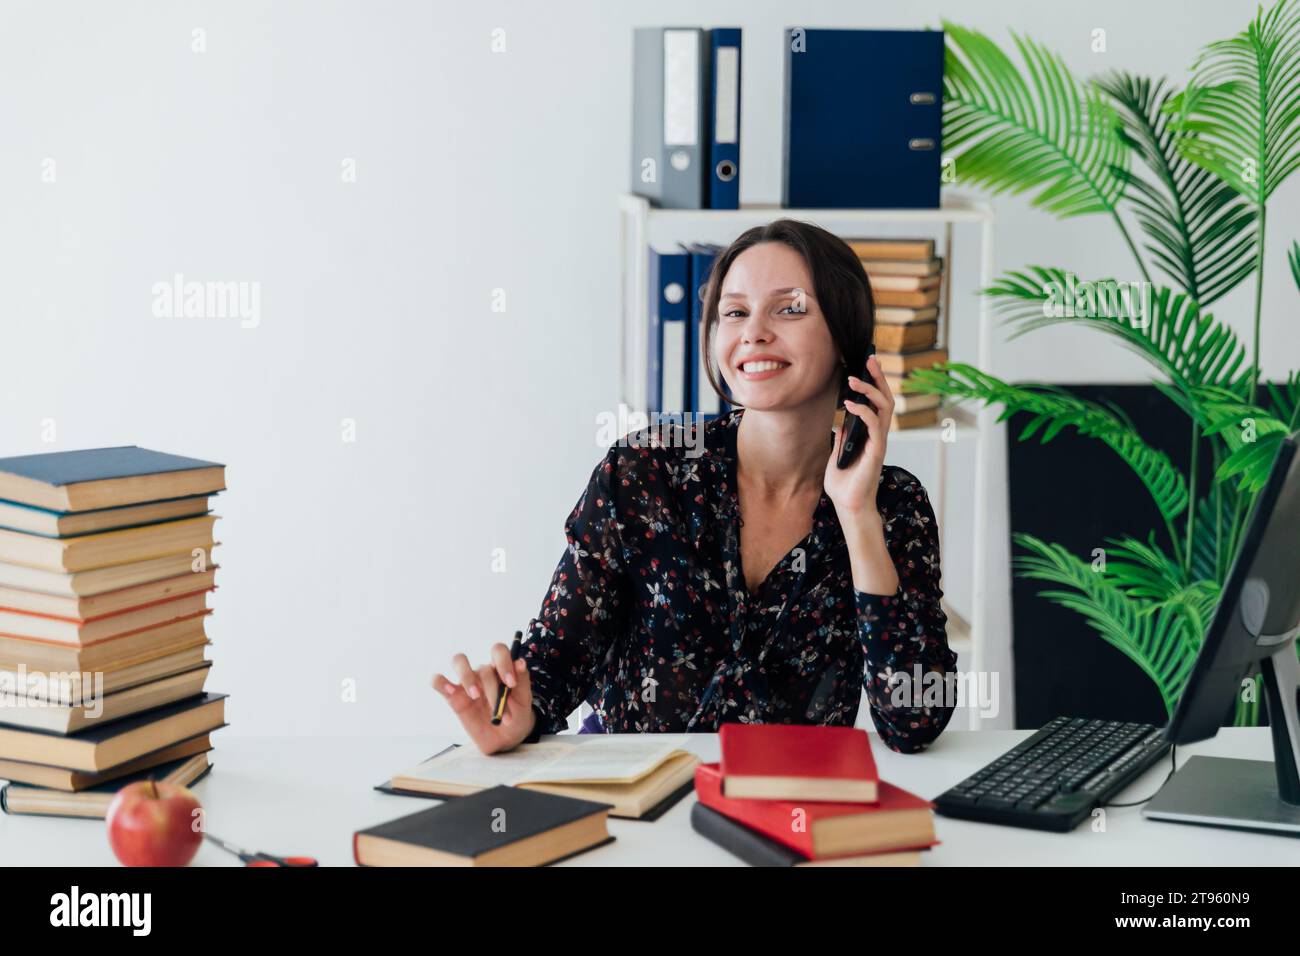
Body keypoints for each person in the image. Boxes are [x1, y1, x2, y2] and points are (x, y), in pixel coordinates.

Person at [432, 219, 959, 756]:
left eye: (789, 307)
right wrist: (519, 712)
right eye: (735, 311)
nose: (753, 331)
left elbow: (914, 721)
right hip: (638, 803)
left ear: (848, 341)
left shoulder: (892, 504)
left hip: (791, 808)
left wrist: (856, 514)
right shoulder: (644, 469)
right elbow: (558, 656)